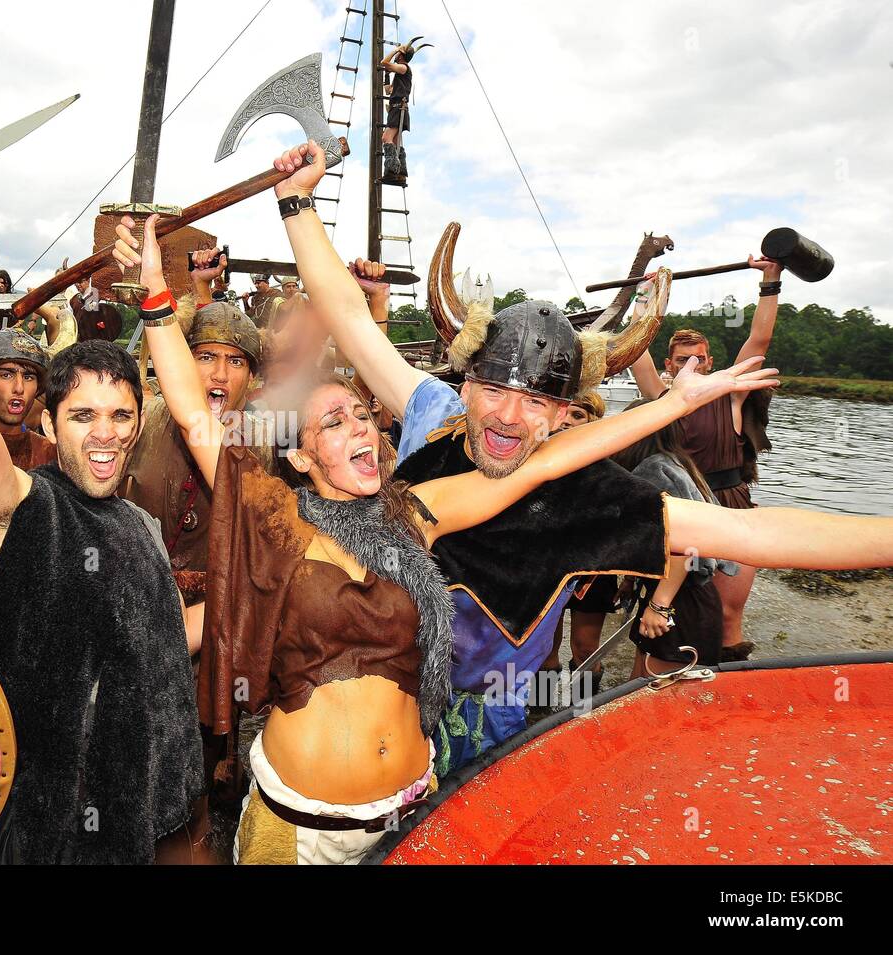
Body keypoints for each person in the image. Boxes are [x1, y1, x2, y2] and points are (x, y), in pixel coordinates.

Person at [113, 200, 776, 864]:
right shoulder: (296, 506)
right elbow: (206, 414)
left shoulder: (416, 510)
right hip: (306, 823)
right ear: (300, 458)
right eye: (332, 423)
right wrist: (163, 293)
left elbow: (539, 466)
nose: (510, 418)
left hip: (433, 772)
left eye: (363, 416)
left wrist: (671, 404)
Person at [272, 139, 893, 780]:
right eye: (494, 390)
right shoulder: (431, 415)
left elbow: (753, 532)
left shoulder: (587, 495)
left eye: (537, 400)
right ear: (465, 386)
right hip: (376, 699)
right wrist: (296, 201)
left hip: (491, 725)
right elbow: (348, 314)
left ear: (567, 415)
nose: (510, 418)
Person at [0, 207, 205, 864]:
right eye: (82, 415)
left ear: (138, 422)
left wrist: (236, 607)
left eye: (119, 415)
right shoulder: (24, 507)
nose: (103, 433)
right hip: (31, 832)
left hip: (124, 825)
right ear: (50, 419)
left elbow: (148, 637)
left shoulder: (142, 527)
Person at [632, 273, 780, 661]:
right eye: (683, 360)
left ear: (711, 362)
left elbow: (759, 342)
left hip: (730, 505)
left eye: (700, 358)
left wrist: (771, 279)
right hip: (682, 509)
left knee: (730, 613)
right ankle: (652, 682)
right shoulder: (660, 398)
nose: (693, 365)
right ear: (670, 364)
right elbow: (635, 348)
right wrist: (645, 295)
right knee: (668, 610)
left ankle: (726, 693)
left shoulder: (730, 397)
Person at [612, 398, 725, 676]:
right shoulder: (678, 463)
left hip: (678, 601)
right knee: (639, 688)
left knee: (652, 693)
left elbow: (684, 546)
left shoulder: (653, 472)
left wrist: (659, 606)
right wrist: (630, 580)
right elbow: (655, 539)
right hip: (687, 596)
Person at [533, 390, 617, 702]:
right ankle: (539, 711)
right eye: (564, 413)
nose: (568, 420)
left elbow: (616, 529)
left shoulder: (607, 470)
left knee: (585, 646)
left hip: (593, 570)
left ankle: (582, 711)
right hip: (546, 568)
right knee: (543, 647)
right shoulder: (537, 461)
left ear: (594, 421)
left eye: (578, 415)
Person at [0, 328, 56, 472]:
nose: (19, 388)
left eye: (28, 377)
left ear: (38, 388)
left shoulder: (49, 454)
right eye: (6, 375)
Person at [379, 37, 429, 186]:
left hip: (398, 109)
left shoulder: (403, 68)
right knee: (395, 142)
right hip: (397, 109)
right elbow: (388, 90)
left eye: (398, 52)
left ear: (401, 55)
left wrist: (395, 50)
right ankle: (400, 174)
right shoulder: (401, 72)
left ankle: (391, 171)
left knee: (386, 138)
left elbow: (384, 63)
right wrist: (386, 74)